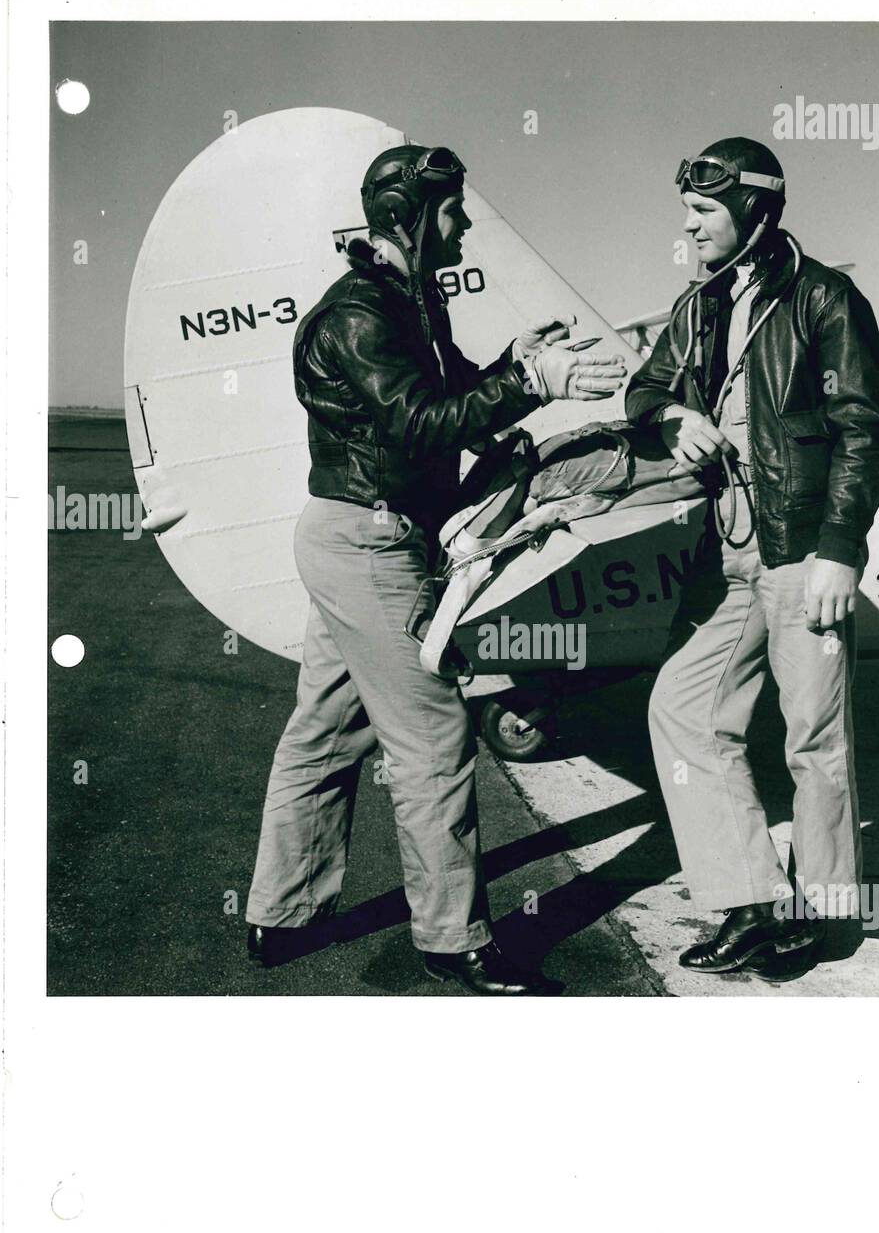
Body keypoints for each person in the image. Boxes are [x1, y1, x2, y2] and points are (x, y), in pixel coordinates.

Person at [245, 144, 626, 994]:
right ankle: (452, 939)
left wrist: (512, 364)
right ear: (411, 214)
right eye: (451, 209)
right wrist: (533, 383)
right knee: (432, 737)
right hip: (373, 543)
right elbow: (419, 423)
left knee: (329, 729)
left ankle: (281, 912)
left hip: (359, 537)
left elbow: (452, 395)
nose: (461, 223)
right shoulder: (360, 313)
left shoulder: (405, 303)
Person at [626, 137, 879, 975]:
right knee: (680, 708)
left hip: (800, 555)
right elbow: (646, 388)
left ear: (752, 209)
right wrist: (675, 420)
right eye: (689, 209)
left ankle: (827, 919)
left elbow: (870, 427)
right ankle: (750, 898)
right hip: (728, 557)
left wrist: (839, 550)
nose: (689, 224)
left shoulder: (826, 299)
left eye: (705, 210)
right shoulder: (702, 304)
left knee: (811, 741)